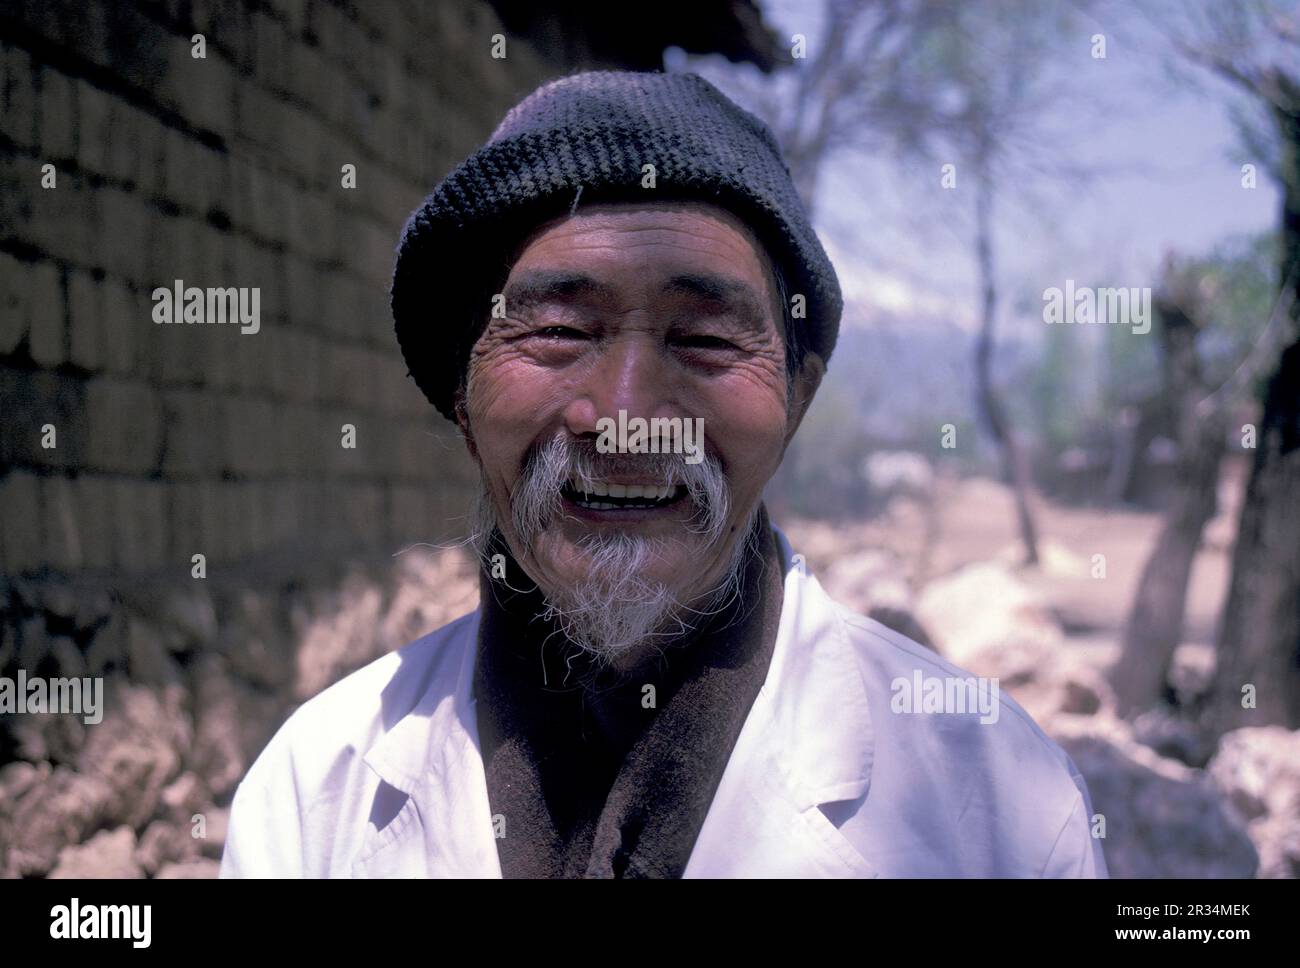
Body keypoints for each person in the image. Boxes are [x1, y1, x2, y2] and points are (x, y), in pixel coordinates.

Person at [220, 71, 1107, 878]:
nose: (629, 415)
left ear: (794, 400)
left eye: (706, 340)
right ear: (462, 393)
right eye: (561, 332)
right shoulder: (313, 794)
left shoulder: (999, 806)